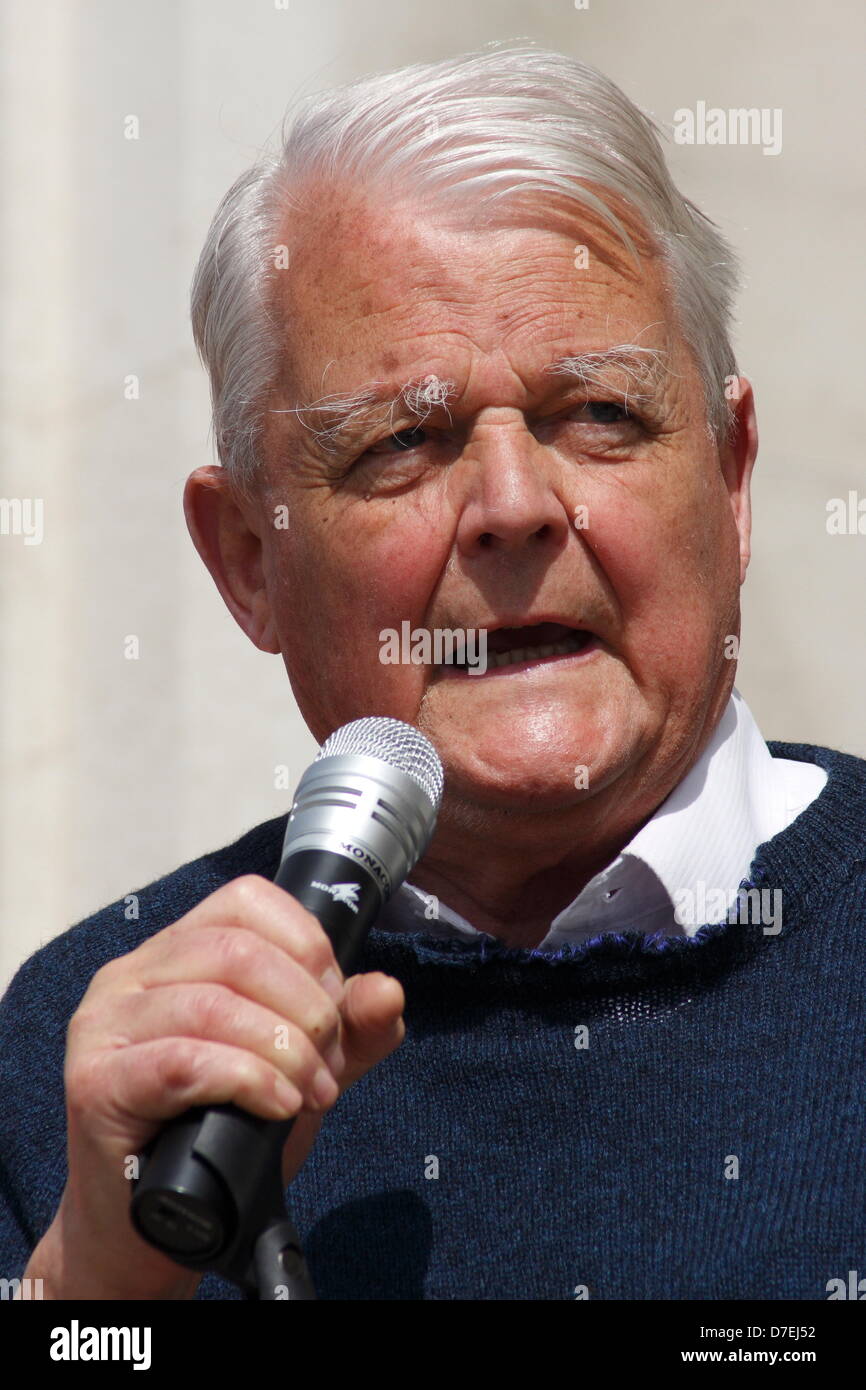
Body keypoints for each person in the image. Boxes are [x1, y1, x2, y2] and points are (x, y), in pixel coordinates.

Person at [1, 42, 863, 1302]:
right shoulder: (101, 1054)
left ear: (729, 480)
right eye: (404, 440)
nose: (511, 508)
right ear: (249, 559)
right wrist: (102, 1282)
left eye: (599, 415)